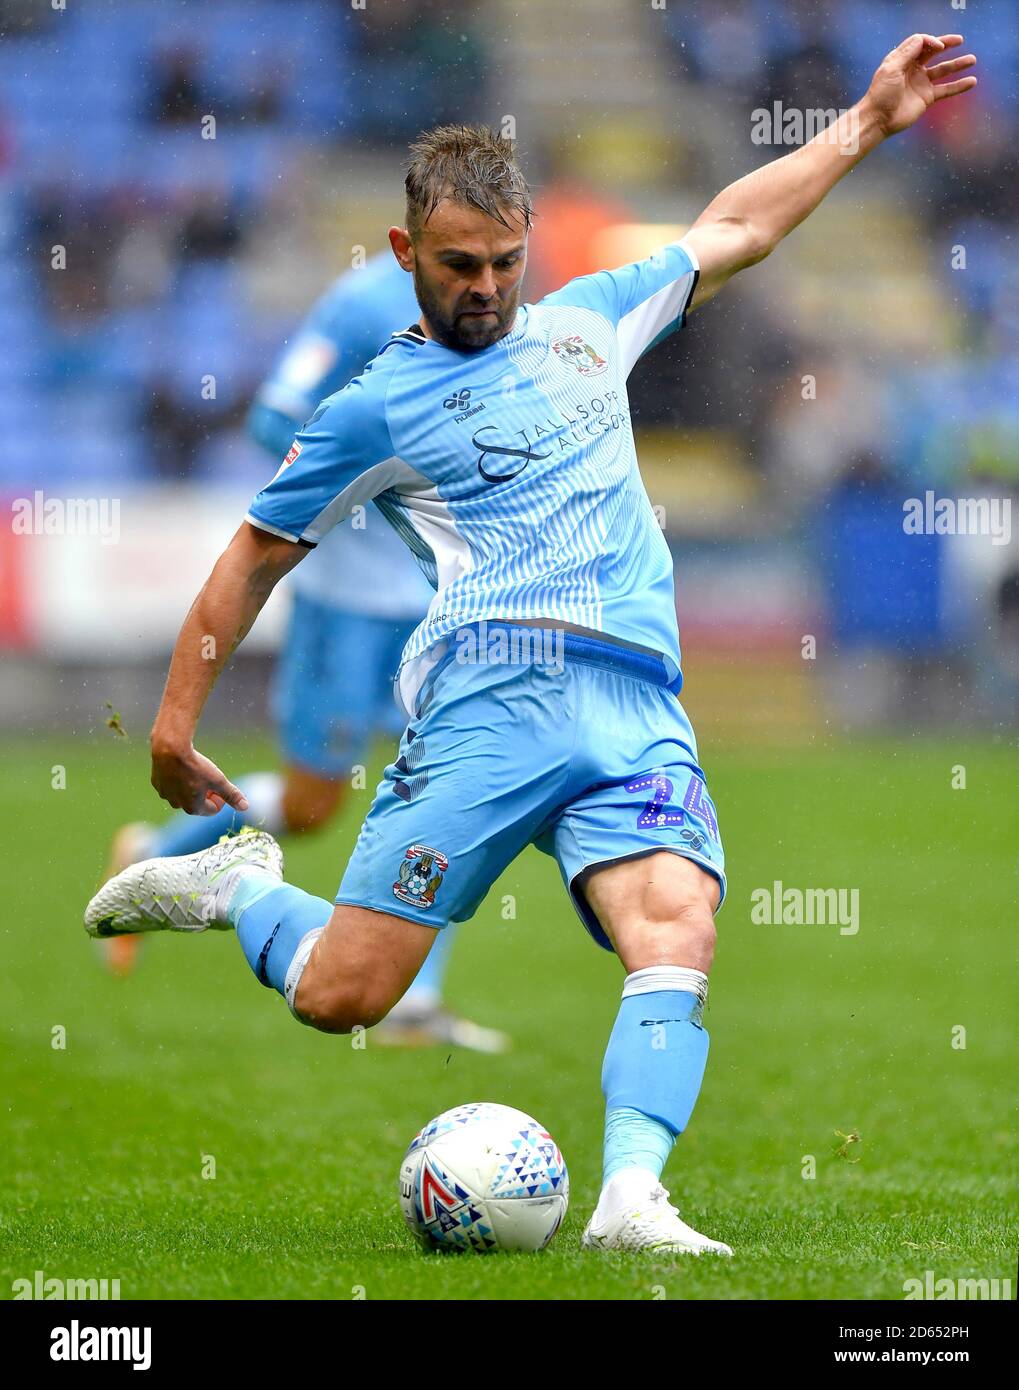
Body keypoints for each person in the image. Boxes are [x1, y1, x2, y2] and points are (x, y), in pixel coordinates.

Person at [86, 35, 977, 1254]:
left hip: (635, 703)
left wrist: (867, 124)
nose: (485, 290)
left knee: (675, 926)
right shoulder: (375, 408)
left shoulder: (588, 321)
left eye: (505, 264)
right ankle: (234, 882)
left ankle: (629, 1199)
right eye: (459, 267)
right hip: (488, 700)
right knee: (346, 993)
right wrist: (175, 725)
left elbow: (735, 226)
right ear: (406, 253)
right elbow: (250, 555)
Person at [101, 254, 508, 1053]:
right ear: (416, 233)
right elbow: (273, 413)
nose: (485, 270)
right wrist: (374, 464)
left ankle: (417, 999)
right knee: (314, 804)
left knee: (457, 777)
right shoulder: (360, 302)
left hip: (442, 593)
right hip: (347, 598)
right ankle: (154, 854)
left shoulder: (489, 310)